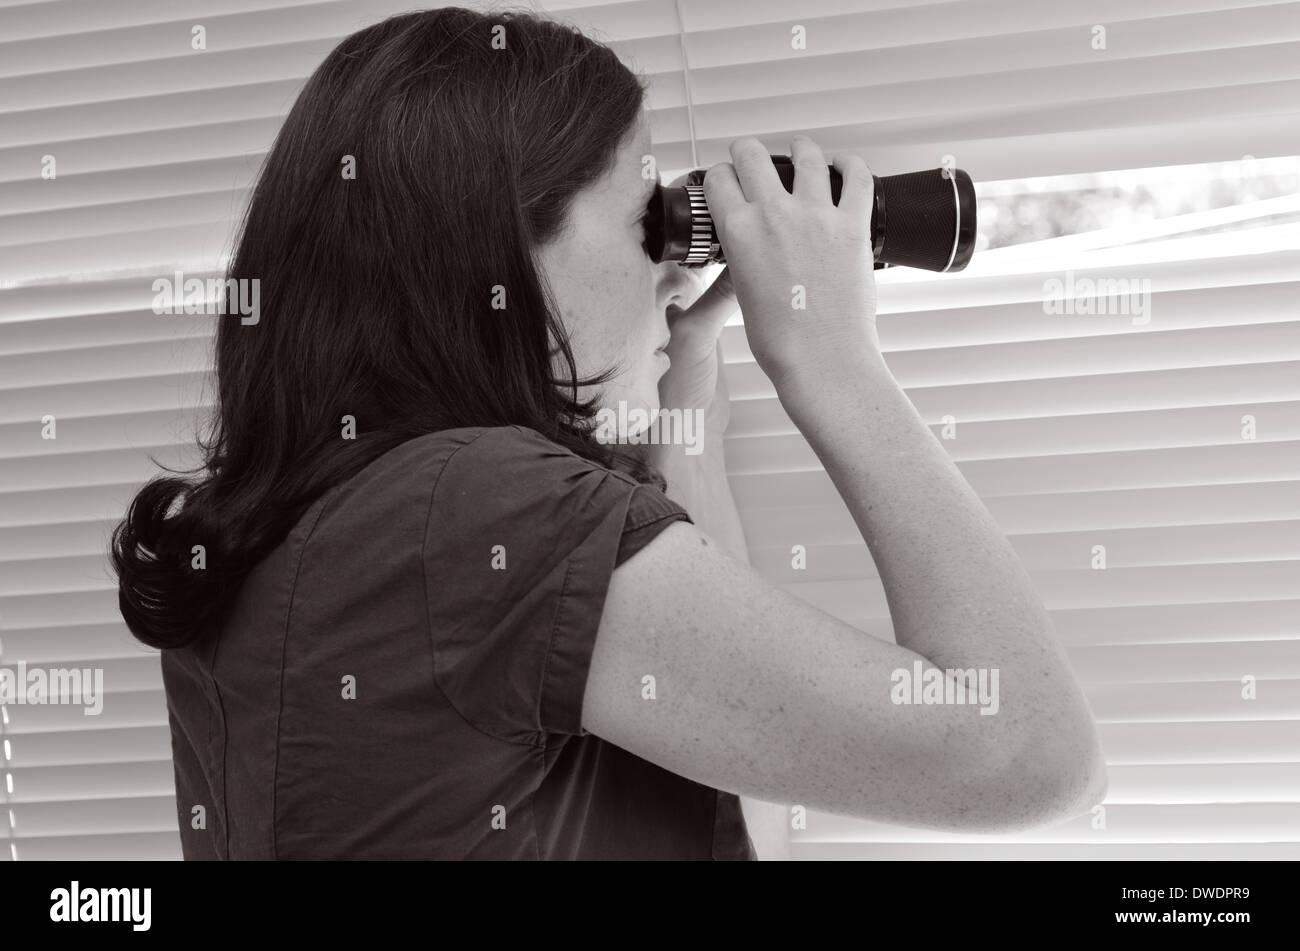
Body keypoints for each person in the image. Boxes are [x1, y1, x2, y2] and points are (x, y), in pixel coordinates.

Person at [111, 7, 1106, 860]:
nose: (676, 268)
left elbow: (745, 782)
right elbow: (1027, 757)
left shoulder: (319, 517)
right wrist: (834, 364)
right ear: (493, 252)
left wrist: (686, 394)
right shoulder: (477, 511)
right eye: (648, 225)